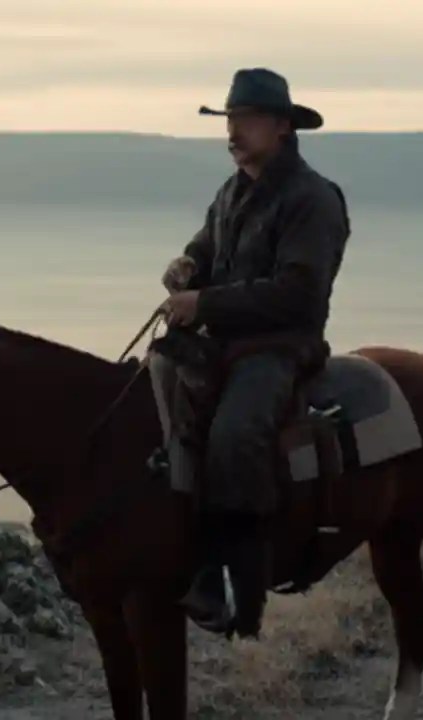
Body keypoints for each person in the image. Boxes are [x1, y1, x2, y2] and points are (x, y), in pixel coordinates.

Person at [153, 67, 351, 638]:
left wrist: (205, 304)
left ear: (282, 127)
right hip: (225, 342)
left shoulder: (312, 199)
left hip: (280, 346)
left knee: (236, 434)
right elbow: (208, 244)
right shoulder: (232, 190)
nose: (233, 132)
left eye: (245, 121)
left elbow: (297, 292)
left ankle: (235, 587)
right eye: (230, 120)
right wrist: (187, 264)